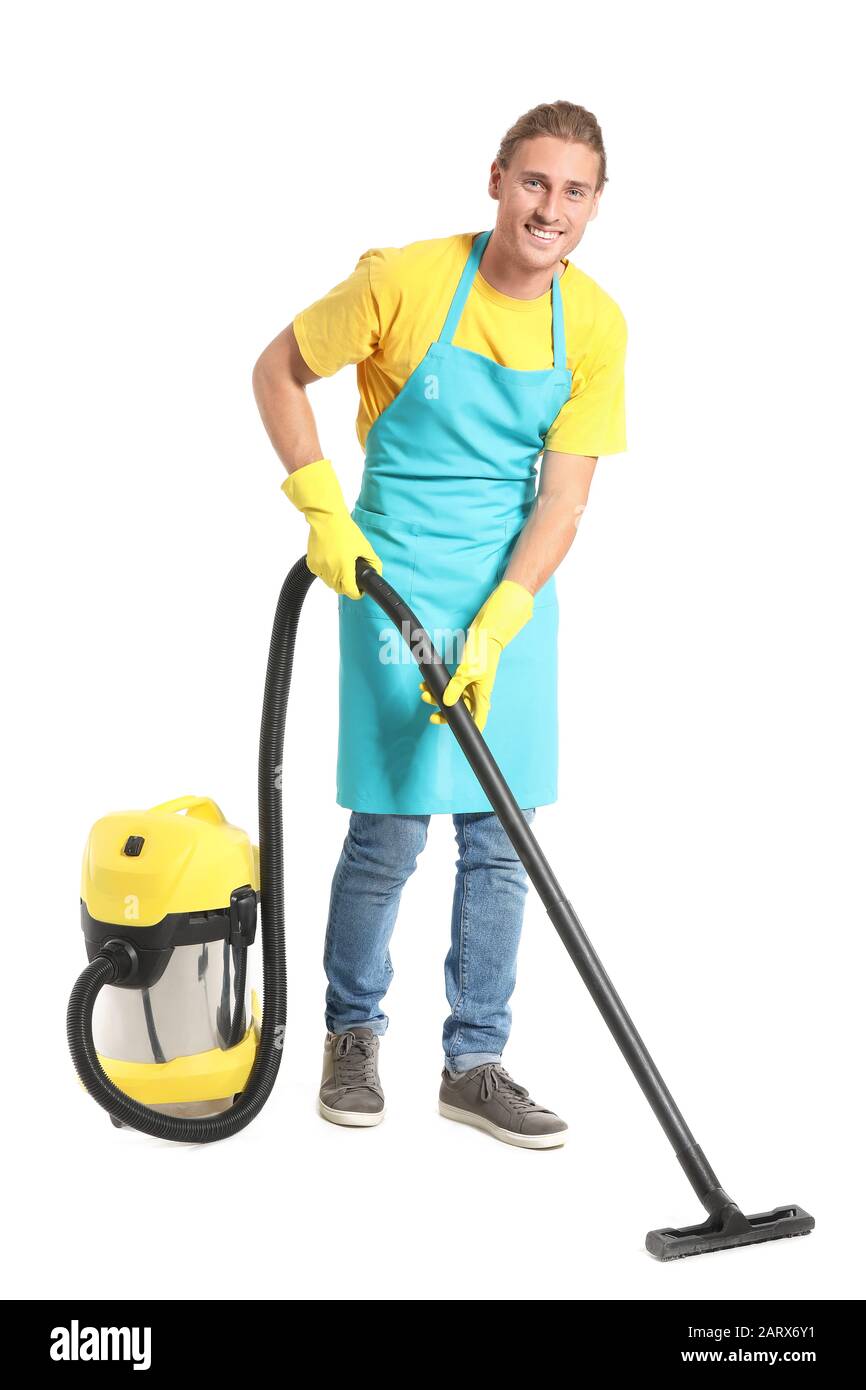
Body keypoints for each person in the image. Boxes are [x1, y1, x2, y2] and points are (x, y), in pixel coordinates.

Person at [252, 100, 627, 1149]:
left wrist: (502, 623)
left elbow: (561, 500)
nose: (548, 207)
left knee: (500, 836)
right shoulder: (405, 279)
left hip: (507, 590)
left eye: (574, 191)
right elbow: (276, 369)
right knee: (390, 827)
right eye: (534, 181)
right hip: (395, 579)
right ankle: (351, 1035)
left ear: (595, 206)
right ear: (497, 178)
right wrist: (322, 505)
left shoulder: (591, 324)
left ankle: (474, 1063)